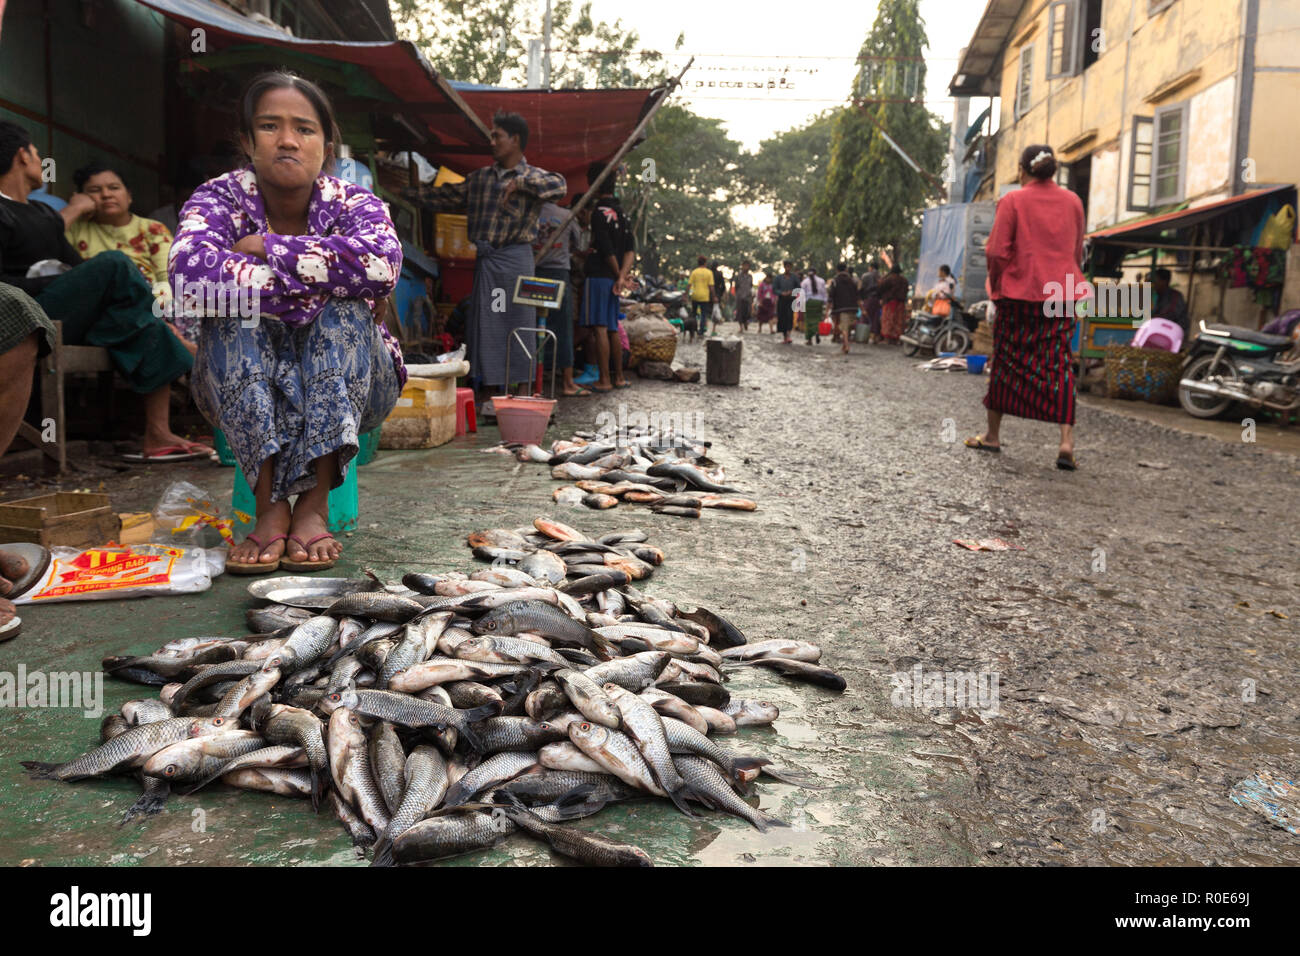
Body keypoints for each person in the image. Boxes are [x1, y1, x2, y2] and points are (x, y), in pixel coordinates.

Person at [170, 70, 405, 573]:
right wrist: (325, 279)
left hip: (363, 384)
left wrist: (271, 248)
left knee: (339, 314)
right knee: (237, 314)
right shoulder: (219, 198)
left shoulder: (353, 201)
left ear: (327, 143)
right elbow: (190, 278)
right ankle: (271, 508)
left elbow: (382, 265)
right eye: (270, 126)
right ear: (247, 140)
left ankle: (314, 506)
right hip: (236, 375)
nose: (287, 140)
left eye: (304, 128)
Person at [0, 120, 206, 461]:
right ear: (23, 156)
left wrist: (90, 284)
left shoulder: (40, 213)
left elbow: (80, 270)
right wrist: (69, 282)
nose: (40, 159)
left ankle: (157, 435)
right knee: (113, 264)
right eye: (37, 152)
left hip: (64, 317)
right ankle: (180, 349)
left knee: (133, 310)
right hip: (20, 318)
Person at [407, 110, 565, 401]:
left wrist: (521, 184)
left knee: (518, 324)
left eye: (497, 135)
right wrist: (406, 193)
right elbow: (445, 197)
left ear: (515, 140)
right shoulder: (480, 178)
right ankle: (492, 394)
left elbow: (560, 186)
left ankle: (522, 391)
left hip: (515, 262)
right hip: (488, 263)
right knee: (489, 325)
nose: (492, 141)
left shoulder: (532, 176)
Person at [964, 144, 1083, 470]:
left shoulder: (1013, 200)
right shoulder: (1073, 201)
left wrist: (998, 285)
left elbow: (996, 252)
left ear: (1022, 170)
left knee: (1006, 360)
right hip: (1061, 294)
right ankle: (1066, 442)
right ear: (1053, 171)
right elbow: (1076, 250)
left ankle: (992, 436)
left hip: (1020, 295)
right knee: (1058, 361)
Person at [60, 161, 194, 354]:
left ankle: (183, 353)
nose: (106, 195)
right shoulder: (75, 229)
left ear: (129, 196)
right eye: (95, 190)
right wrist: (75, 209)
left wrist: (150, 306)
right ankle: (184, 353)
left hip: (155, 301)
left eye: (114, 188)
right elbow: (46, 242)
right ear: (82, 197)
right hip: (103, 306)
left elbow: (169, 278)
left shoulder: (152, 229)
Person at [580, 160, 635, 392]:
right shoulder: (622, 213)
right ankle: (619, 378)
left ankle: (604, 380)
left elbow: (605, 249)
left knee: (601, 328)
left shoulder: (598, 213)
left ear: (593, 183)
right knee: (612, 327)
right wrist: (622, 276)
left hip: (600, 276)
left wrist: (616, 274)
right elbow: (630, 249)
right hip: (614, 279)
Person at [532, 197, 586, 395]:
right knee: (563, 328)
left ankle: (528, 380)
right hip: (558, 274)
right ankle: (568, 383)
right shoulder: (567, 215)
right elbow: (579, 244)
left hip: (533, 272)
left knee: (533, 324)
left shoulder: (530, 213)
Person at [828, 262, 859, 355]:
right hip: (853, 307)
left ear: (837, 270)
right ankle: (845, 345)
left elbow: (831, 296)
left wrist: (828, 310)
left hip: (841, 307)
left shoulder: (835, 281)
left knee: (844, 327)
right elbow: (858, 295)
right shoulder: (853, 280)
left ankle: (847, 345)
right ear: (845, 269)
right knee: (848, 326)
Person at [877, 264, 910, 344]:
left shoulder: (889, 279)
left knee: (888, 320)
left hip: (890, 302)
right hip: (901, 303)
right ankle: (897, 338)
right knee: (899, 321)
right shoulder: (904, 280)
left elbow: (880, 287)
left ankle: (887, 339)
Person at [1150, 268, 1189, 336]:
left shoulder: (1175, 296)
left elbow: (1170, 314)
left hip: (1174, 334)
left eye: (1155, 281)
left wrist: (1150, 319)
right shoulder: (1158, 296)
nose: (1153, 284)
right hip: (1161, 332)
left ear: (1164, 281)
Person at [687, 255, 713, 342]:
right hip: (705, 296)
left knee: (694, 314)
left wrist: (685, 294)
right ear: (705, 263)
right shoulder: (709, 272)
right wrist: (714, 296)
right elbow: (711, 286)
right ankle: (701, 332)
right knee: (703, 315)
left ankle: (693, 330)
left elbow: (689, 284)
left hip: (695, 295)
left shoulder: (694, 272)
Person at [773, 260, 798, 345]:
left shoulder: (794, 277)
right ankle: (784, 336)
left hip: (791, 300)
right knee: (782, 318)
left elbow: (798, 287)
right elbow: (774, 289)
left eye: (789, 266)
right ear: (784, 267)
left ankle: (788, 335)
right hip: (782, 301)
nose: (788, 268)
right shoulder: (778, 278)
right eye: (786, 266)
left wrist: (791, 292)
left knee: (790, 317)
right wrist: (782, 293)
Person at [801, 266, 827, 345]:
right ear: (816, 272)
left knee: (808, 320)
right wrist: (825, 302)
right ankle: (817, 332)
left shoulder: (804, 282)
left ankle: (809, 340)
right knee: (818, 319)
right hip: (819, 302)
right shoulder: (821, 281)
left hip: (809, 302)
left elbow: (802, 294)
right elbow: (824, 293)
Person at [859, 261, 882, 344]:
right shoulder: (880, 276)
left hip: (868, 299)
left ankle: (863, 336)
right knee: (875, 318)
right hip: (877, 300)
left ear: (871, 267)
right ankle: (875, 337)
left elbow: (861, 288)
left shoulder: (866, 276)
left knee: (865, 317)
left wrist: (861, 298)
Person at [734, 259, 753, 332]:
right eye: (744, 265)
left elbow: (750, 286)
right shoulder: (738, 276)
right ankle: (741, 327)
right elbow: (736, 287)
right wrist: (738, 294)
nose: (746, 267)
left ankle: (745, 322)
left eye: (747, 266)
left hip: (748, 297)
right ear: (742, 266)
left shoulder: (750, 276)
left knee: (747, 312)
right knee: (740, 312)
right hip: (740, 296)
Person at [754, 269, 775, 334]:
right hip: (763, 301)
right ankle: (760, 328)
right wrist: (759, 302)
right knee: (761, 316)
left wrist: (775, 301)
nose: (768, 279)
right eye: (767, 278)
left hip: (770, 301)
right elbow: (759, 293)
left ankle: (771, 329)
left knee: (770, 315)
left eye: (770, 278)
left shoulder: (773, 285)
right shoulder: (762, 285)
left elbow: (775, 294)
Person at [710, 259, 727, 335]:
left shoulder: (708, 273)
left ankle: (705, 327)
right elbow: (723, 286)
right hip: (717, 294)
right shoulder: (719, 274)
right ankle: (713, 329)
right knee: (715, 312)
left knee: (707, 312)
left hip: (707, 294)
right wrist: (720, 293)